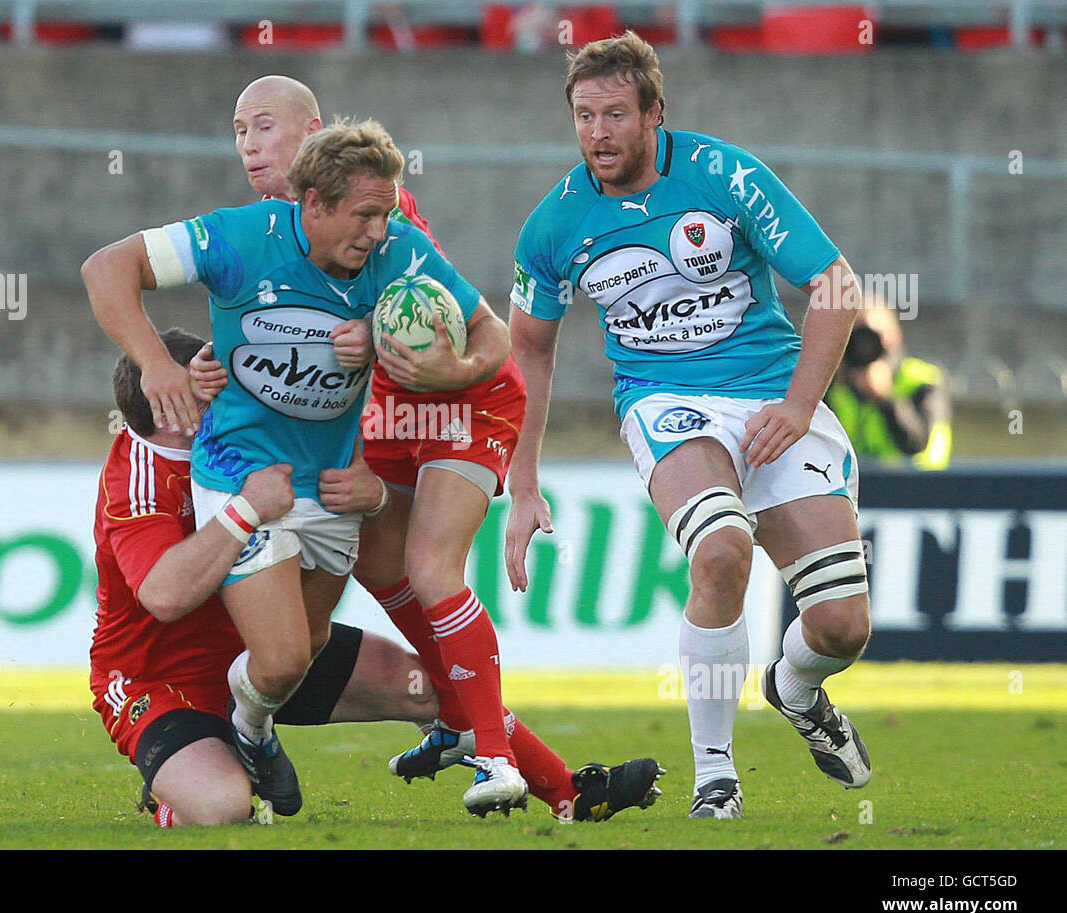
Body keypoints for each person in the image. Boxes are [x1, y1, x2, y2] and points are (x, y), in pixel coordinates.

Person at [211, 74, 664, 820]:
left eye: (265, 126)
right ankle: (561, 787)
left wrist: (382, 339)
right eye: (239, 131)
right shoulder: (273, 228)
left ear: (313, 132)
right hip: (386, 413)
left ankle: (488, 749)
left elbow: (465, 327)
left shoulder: (373, 212)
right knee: (388, 586)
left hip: (456, 403)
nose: (251, 145)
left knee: (425, 574)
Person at [84, 117, 533, 818]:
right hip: (242, 475)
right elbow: (106, 266)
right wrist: (156, 363)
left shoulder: (395, 251)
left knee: (327, 656)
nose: (380, 231)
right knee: (286, 658)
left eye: (387, 213)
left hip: (326, 487)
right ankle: (239, 738)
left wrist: (452, 366)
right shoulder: (238, 238)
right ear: (313, 206)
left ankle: (251, 725)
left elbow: (493, 334)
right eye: (365, 214)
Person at [506, 31, 873, 819]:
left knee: (841, 625)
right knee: (720, 547)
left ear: (653, 113)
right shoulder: (554, 226)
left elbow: (836, 285)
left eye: (613, 115)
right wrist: (522, 478)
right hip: (664, 403)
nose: (597, 135)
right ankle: (716, 776)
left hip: (774, 396)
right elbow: (528, 350)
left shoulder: (727, 175)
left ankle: (793, 686)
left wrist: (801, 404)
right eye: (582, 117)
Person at [90, 328, 439, 827]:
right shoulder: (139, 476)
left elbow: (365, 531)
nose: (239, 397)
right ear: (173, 407)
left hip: (269, 644)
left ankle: (559, 787)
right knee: (224, 809)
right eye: (216, 387)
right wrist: (247, 509)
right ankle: (174, 796)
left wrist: (376, 497)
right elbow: (164, 596)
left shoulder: (258, 441)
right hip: (159, 679)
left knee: (428, 688)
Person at [826, 304, 951, 469]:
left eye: (873, 334)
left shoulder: (923, 381)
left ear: (894, 334)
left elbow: (916, 444)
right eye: (856, 333)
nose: (865, 344)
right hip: (854, 487)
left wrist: (885, 397)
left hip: (916, 486)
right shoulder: (835, 384)